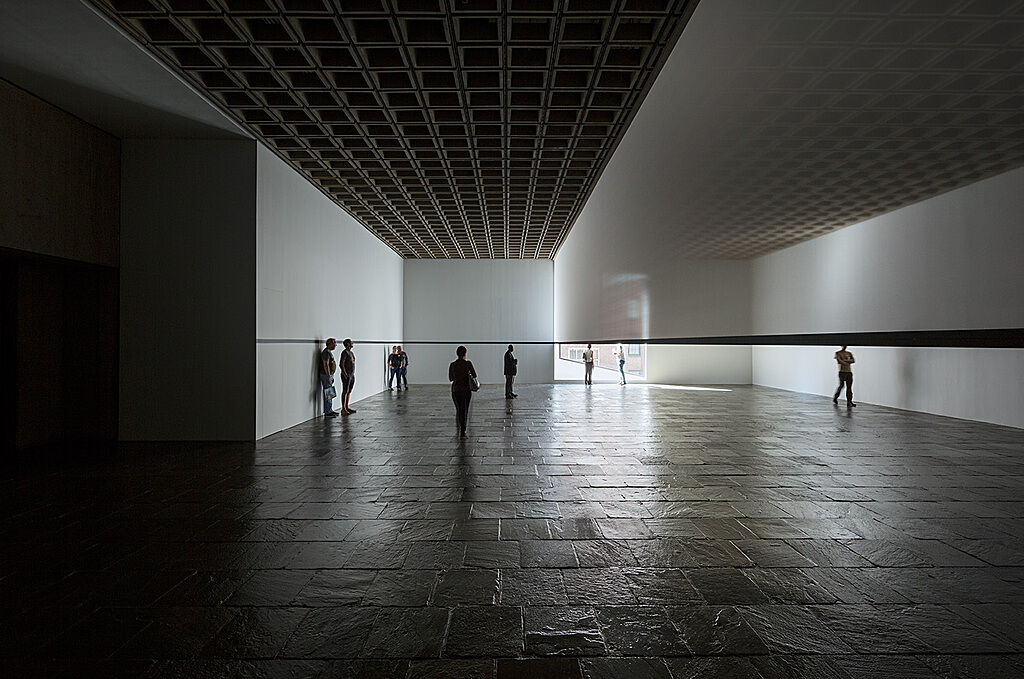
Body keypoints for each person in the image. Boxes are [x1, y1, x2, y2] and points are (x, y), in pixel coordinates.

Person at [449, 345, 478, 437]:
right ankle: (463, 431)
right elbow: (474, 375)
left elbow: (451, 378)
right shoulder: (468, 363)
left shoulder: (452, 365)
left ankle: (459, 427)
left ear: (457, 354)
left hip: (455, 390)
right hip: (465, 389)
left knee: (459, 409)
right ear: (465, 353)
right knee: (464, 410)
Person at [319, 338, 339, 417]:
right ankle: (328, 412)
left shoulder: (328, 352)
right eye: (334, 343)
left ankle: (330, 410)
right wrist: (328, 376)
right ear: (330, 344)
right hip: (326, 375)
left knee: (330, 393)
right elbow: (326, 365)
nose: (336, 345)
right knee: (328, 393)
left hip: (329, 375)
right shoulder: (326, 353)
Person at [339, 338, 356, 415]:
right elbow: (341, 364)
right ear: (347, 344)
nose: (352, 343)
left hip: (352, 374)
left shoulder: (351, 352)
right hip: (347, 375)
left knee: (349, 391)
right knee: (345, 391)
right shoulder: (344, 353)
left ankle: (346, 406)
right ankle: (343, 409)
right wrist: (345, 374)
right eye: (351, 342)